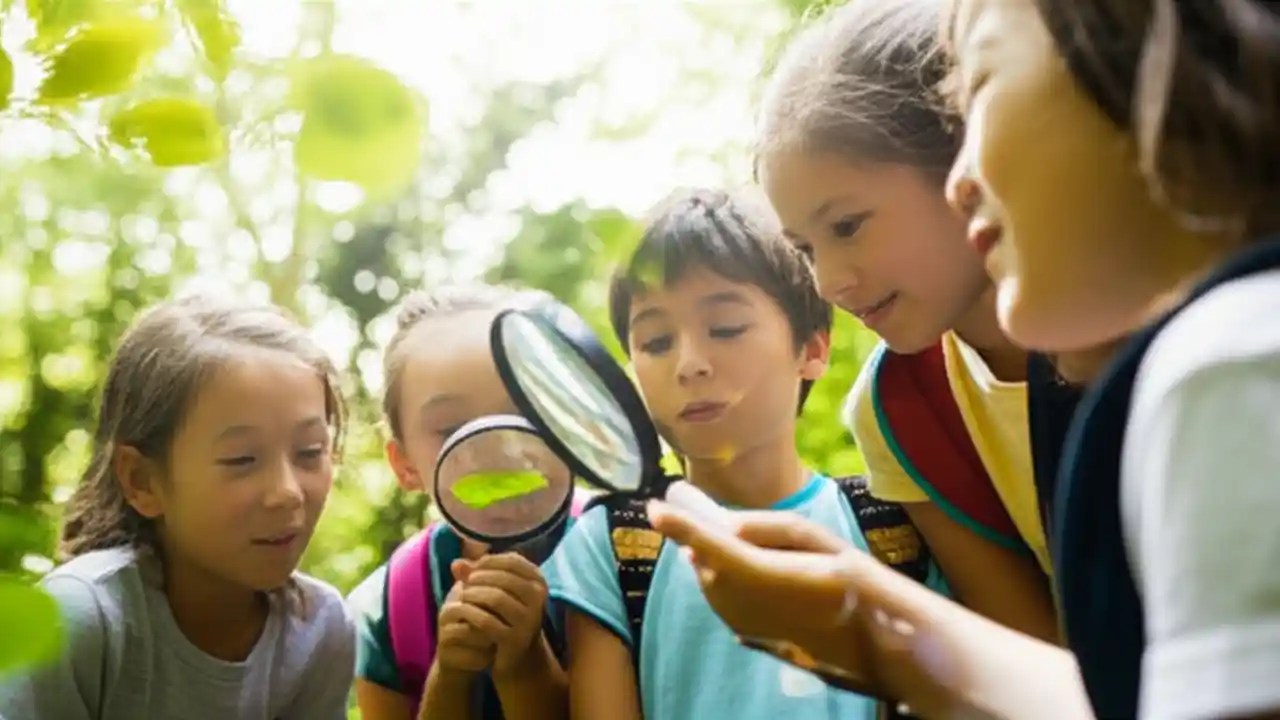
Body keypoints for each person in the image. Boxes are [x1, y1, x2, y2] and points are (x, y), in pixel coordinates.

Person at [651, 1, 1280, 718]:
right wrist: (865, 619)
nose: (962, 175)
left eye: (977, 90)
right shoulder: (910, 408)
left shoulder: (1231, 361)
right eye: (804, 250)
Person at [542, 188, 949, 720]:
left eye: (727, 328)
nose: (689, 364)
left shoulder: (893, 525)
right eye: (657, 342)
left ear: (811, 349)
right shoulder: (612, 546)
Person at [755, 0, 1058, 640]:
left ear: (965, 159)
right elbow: (1027, 643)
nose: (829, 281)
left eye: (847, 227)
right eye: (805, 250)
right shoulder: (899, 411)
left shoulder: (1132, 316)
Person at [0, 295, 355, 719]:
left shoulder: (319, 629)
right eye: (242, 459)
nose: (288, 492)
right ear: (141, 480)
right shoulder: (82, 621)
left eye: (310, 451)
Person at [348, 285, 578, 720]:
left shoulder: (624, 560)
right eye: (452, 426)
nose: (499, 448)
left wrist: (526, 664)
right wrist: (450, 676)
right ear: (405, 465)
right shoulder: (388, 609)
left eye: (525, 411)